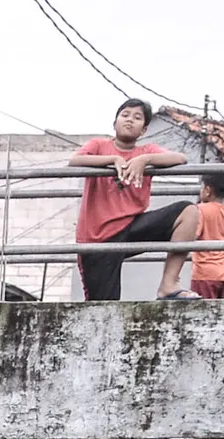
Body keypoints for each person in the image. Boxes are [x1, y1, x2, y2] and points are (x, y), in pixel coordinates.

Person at [68, 98, 194, 301]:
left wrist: (145, 160)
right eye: (125, 115)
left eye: (137, 118)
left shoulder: (146, 152)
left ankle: (169, 285)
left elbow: (180, 158)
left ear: (143, 130)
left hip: (131, 228)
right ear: (114, 123)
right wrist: (114, 160)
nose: (129, 120)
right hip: (98, 239)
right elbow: (74, 161)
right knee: (103, 307)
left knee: (188, 211)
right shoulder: (99, 145)